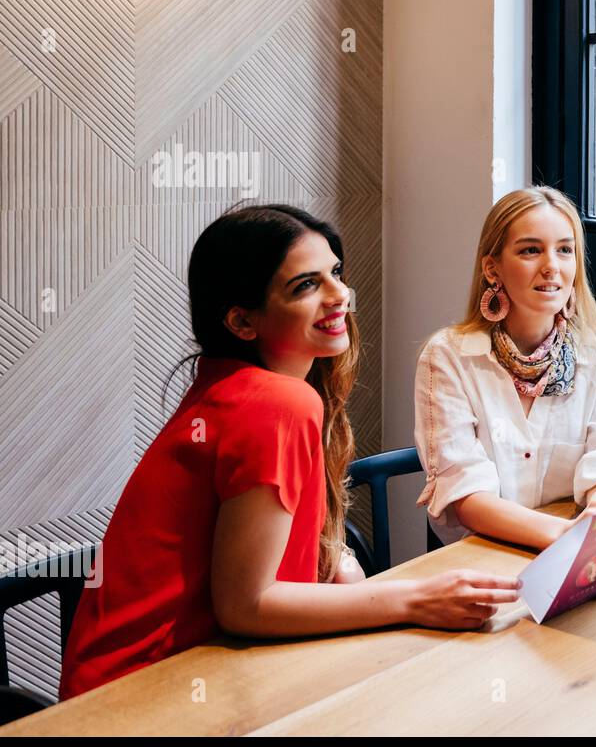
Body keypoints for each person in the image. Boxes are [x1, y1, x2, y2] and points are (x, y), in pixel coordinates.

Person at [60, 205, 519, 699]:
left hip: (142, 685)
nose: (340, 294)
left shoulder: (228, 386)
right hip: (146, 696)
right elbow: (245, 605)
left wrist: (335, 553)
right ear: (241, 320)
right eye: (305, 285)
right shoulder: (277, 401)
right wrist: (415, 598)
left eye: (336, 273)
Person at [415, 187, 596, 595]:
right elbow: (465, 494)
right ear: (492, 268)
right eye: (529, 251)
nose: (552, 267)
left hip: (569, 566)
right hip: (482, 562)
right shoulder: (448, 357)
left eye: (564, 250)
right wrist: (569, 538)